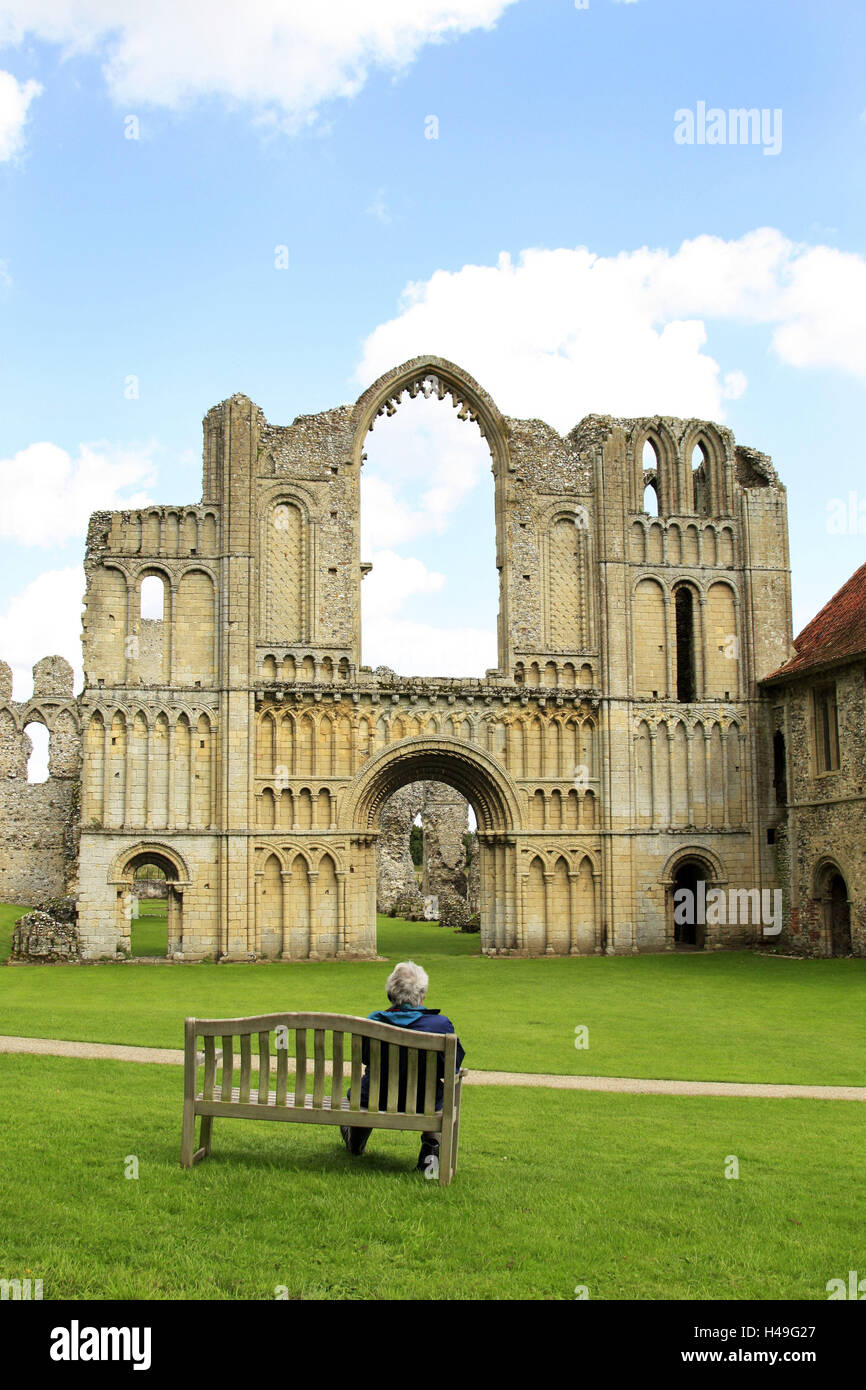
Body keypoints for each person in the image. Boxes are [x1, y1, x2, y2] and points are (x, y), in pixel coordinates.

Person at [340, 960, 465, 1173]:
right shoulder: (440, 1026)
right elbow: (453, 1066)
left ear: (391, 994)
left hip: (374, 1098)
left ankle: (355, 1142)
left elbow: (364, 1057)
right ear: (423, 995)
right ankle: (431, 1148)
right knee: (435, 1099)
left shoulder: (372, 1023)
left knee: (359, 1096)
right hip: (422, 1102)